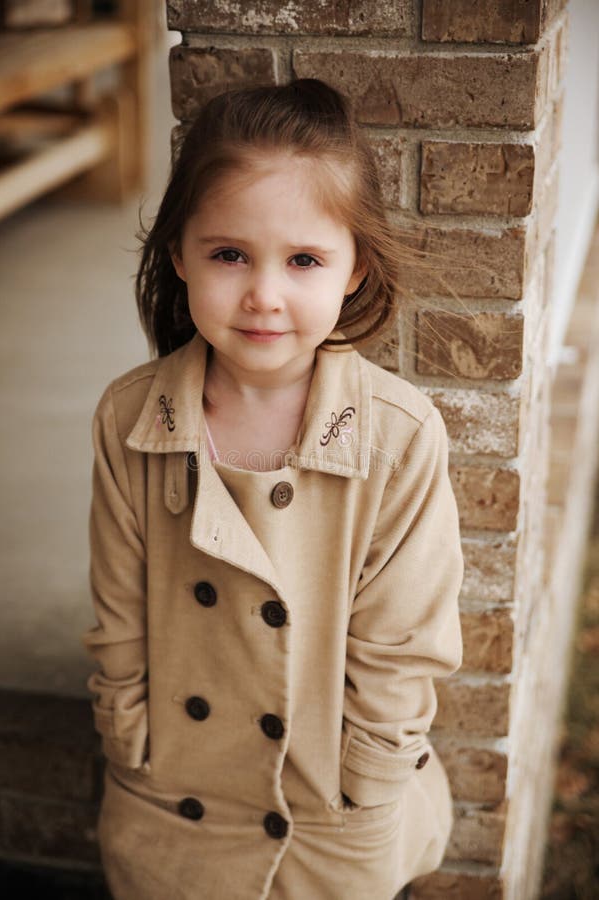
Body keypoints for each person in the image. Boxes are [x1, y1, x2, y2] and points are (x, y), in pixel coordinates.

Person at [82, 78, 464, 900]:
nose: (263, 294)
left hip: (325, 812)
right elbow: (118, 612)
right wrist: (128, 739)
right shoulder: (130, 418)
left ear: (355, 268)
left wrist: (366, 785)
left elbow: (403, 643)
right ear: (178, 253)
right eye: (229, 254)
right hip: (176, 803)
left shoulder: (397, 437)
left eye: (303, 261)